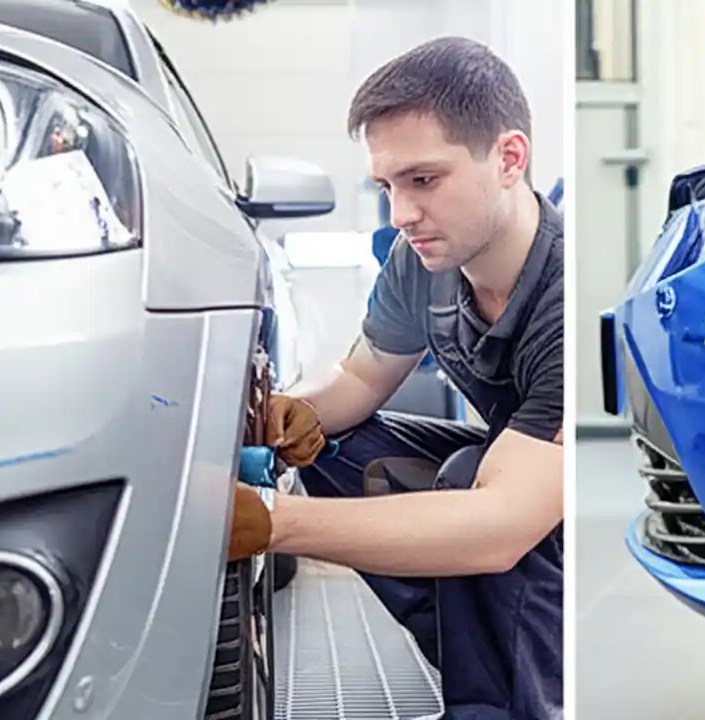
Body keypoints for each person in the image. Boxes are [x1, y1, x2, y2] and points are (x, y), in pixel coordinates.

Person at [228, 36, 563, 719]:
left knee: (474, 483)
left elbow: (500, 524)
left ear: (509, 158)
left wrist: (274, 523)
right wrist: (291, 412)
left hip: (543, 507)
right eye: (387, 187)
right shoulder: (424, 263)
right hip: (511, 480)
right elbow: (359, 380)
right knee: (333, 444)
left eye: (423, 180)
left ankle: (530, 695)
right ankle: (486, 656)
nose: (400, 216)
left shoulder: (563, 294)